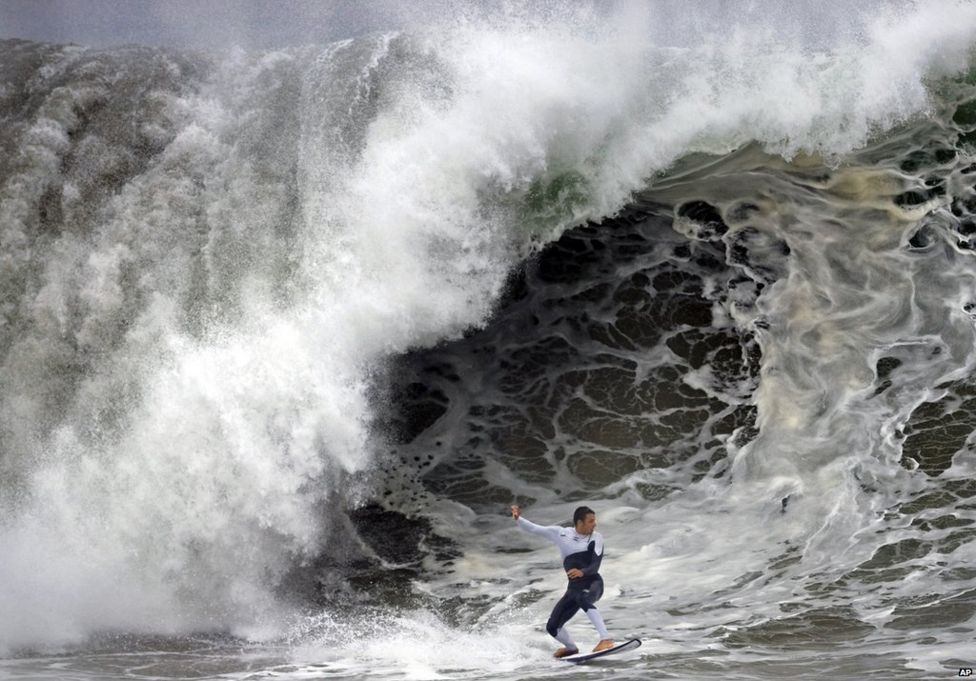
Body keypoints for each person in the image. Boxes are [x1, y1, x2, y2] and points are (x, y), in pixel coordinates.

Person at [511, 503, 614, 657]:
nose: (595, 524)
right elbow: (535, 529)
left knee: (583, 597)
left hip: (593, 583)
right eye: (591, 521)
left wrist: (582, 572)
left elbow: (595, 566)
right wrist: (518, 518)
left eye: (594, 520)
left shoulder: (596, 537)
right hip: (573, 588)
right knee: (552, 626)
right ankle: (571, 648)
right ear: (579, 522)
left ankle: (605, 638)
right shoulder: (562, 534)